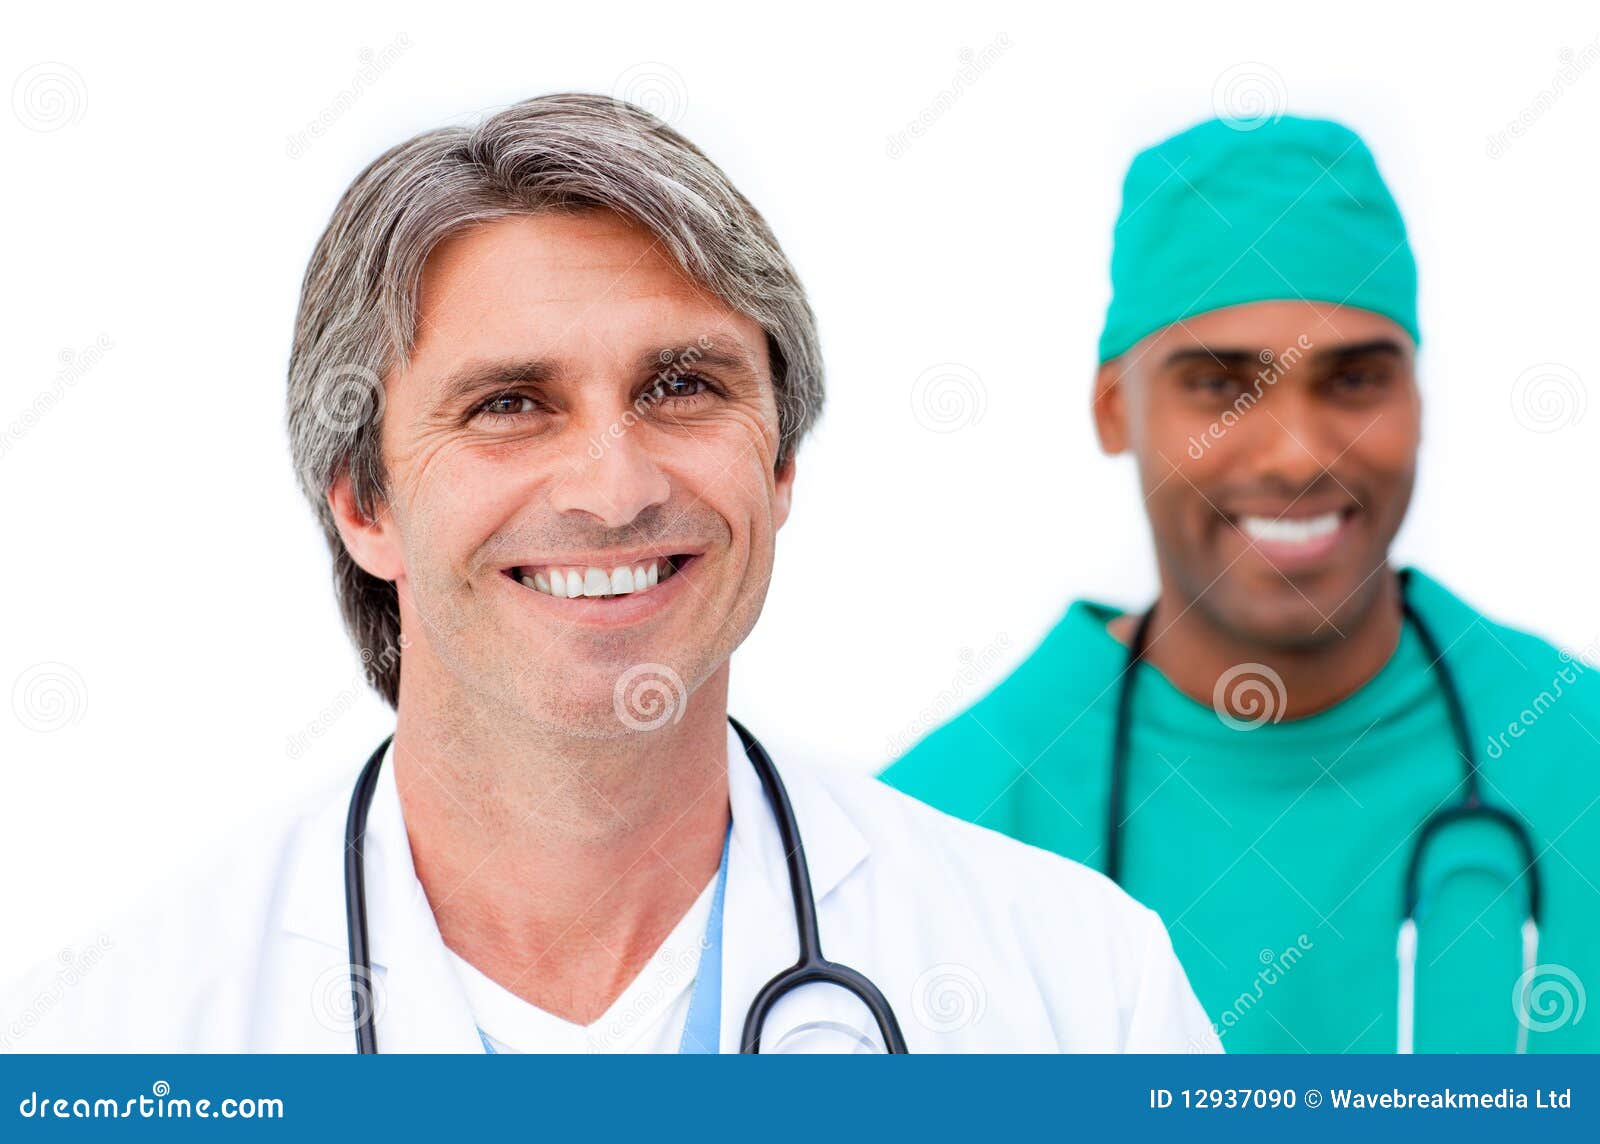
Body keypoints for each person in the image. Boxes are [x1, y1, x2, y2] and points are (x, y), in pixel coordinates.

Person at [1, 94, 1215, 1054]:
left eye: (682, 386)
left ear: (780, 463)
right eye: (510, 403)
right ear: (363, 499)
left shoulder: (1077, 992)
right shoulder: (131, 1042)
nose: (614, 486)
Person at [883, 115, 1600, 1053]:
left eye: (1352, 381)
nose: (1296, 455)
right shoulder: (938, 833)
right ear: (1114, 410)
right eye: (1221, 386)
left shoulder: (1572, 754)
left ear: (1419, 400)